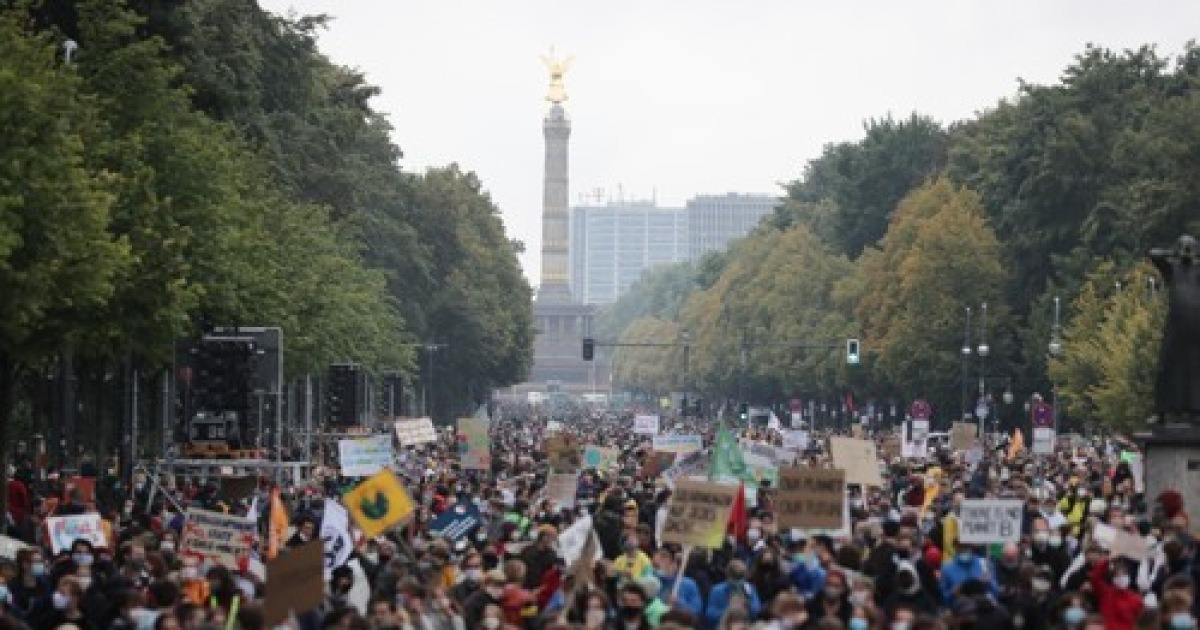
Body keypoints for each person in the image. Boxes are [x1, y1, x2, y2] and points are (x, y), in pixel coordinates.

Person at [652, 548, 701, 618]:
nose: (657, 569)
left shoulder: (688, 584)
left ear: (674, 564)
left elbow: (696, 610)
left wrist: (678, 603)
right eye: (654, 566)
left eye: (659, 565)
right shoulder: (651, 582)